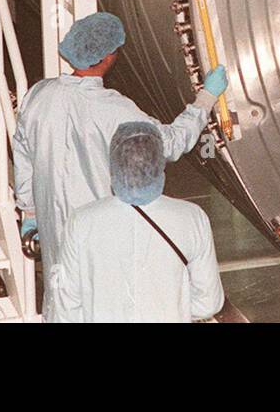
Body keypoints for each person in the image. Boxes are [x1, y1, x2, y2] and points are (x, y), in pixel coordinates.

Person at [11, 10, 227, 319]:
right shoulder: (115, 109)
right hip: (105, 233)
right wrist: (206, 98)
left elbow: (23, 155)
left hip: (55, 231)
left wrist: (29, 212)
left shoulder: (38, 96)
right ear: (108, 57)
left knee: (64, 304)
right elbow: (170, 142)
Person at [52, 122, 224, 322]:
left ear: (114, 166)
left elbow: (66, 305)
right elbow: (209, 302)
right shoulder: (192, 218)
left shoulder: (81, 221)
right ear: (159, 164)